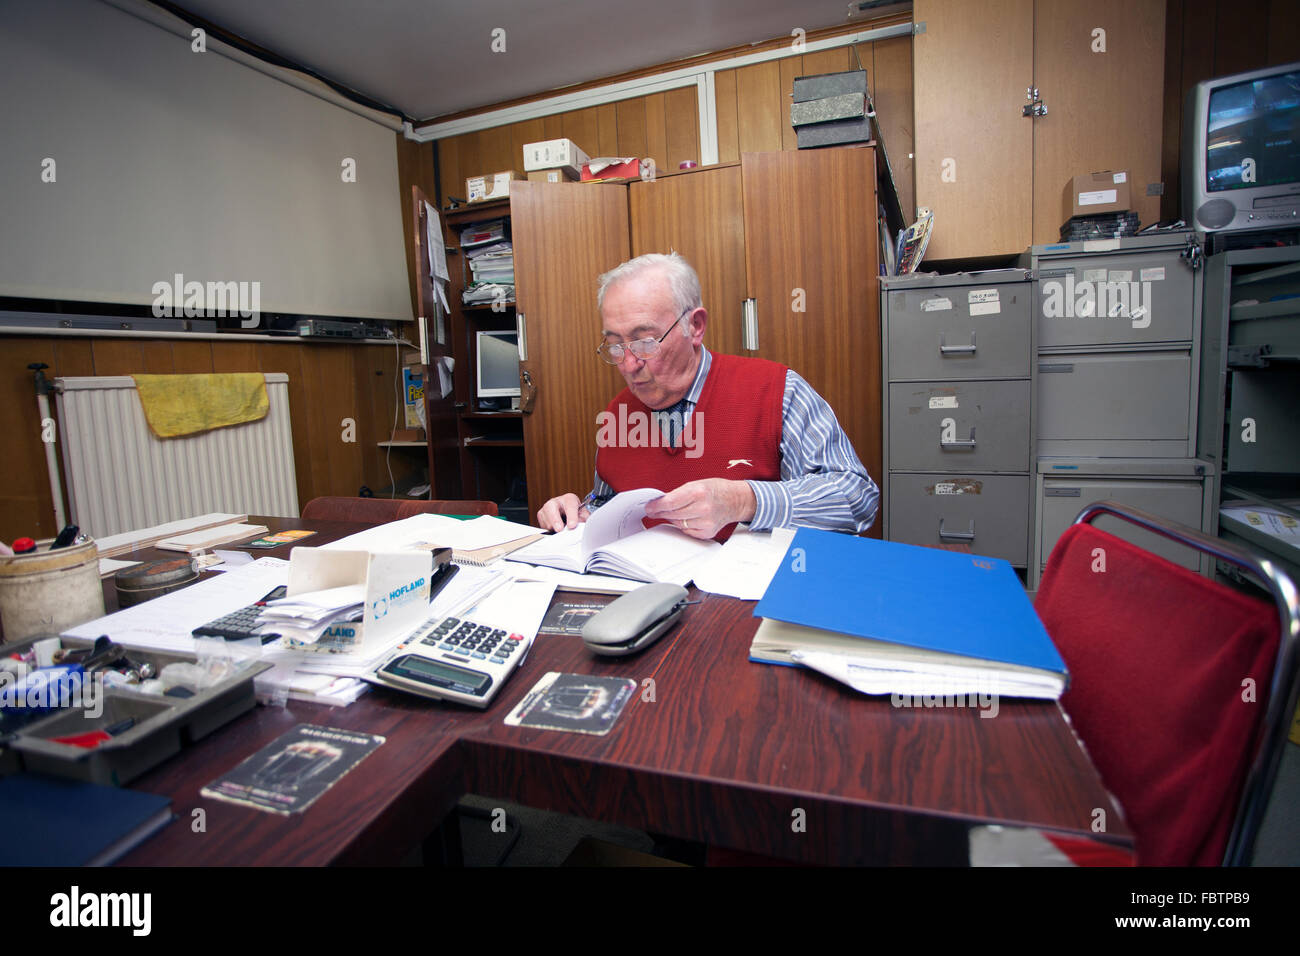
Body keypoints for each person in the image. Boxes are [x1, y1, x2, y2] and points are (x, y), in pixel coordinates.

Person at [536, 252, 878, 540]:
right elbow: (608, 501)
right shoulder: (618, 413)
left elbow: (858, 498)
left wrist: (746, 500)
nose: (628, 364)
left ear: (695, 327)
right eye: (615, 345)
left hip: (745, 602)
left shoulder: (777, 391)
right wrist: (575, 512)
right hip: (648, 598)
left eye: (644, 342)